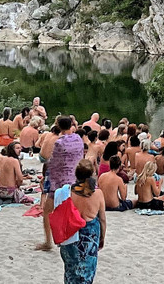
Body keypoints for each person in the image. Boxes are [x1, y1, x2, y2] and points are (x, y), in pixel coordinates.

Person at [40, 117, 84, 252]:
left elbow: (54, 163)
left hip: (60, 180)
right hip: (75, 179)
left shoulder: (59, 143)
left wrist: (46, 180)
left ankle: (48, 241)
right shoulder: (78, 139)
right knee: (76, 210)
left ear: (58, 126)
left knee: (47, 211)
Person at [60, 160, 107, 284]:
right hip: (89, 235)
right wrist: (102, 237)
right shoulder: (98, 194)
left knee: (70, 270)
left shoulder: (68, 192)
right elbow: (102, 219)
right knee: (87, 271)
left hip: (71, 234)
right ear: (92, 175)